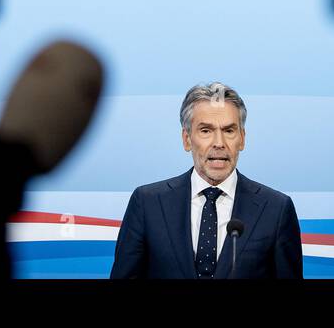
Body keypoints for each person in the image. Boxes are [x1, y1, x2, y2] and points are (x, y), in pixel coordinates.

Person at [110, 82, 303, 279]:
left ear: (242, 139)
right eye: (206, 131)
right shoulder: (147, 203)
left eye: (229, 131)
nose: (219, 143)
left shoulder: (276, 209)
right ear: (187, 139)